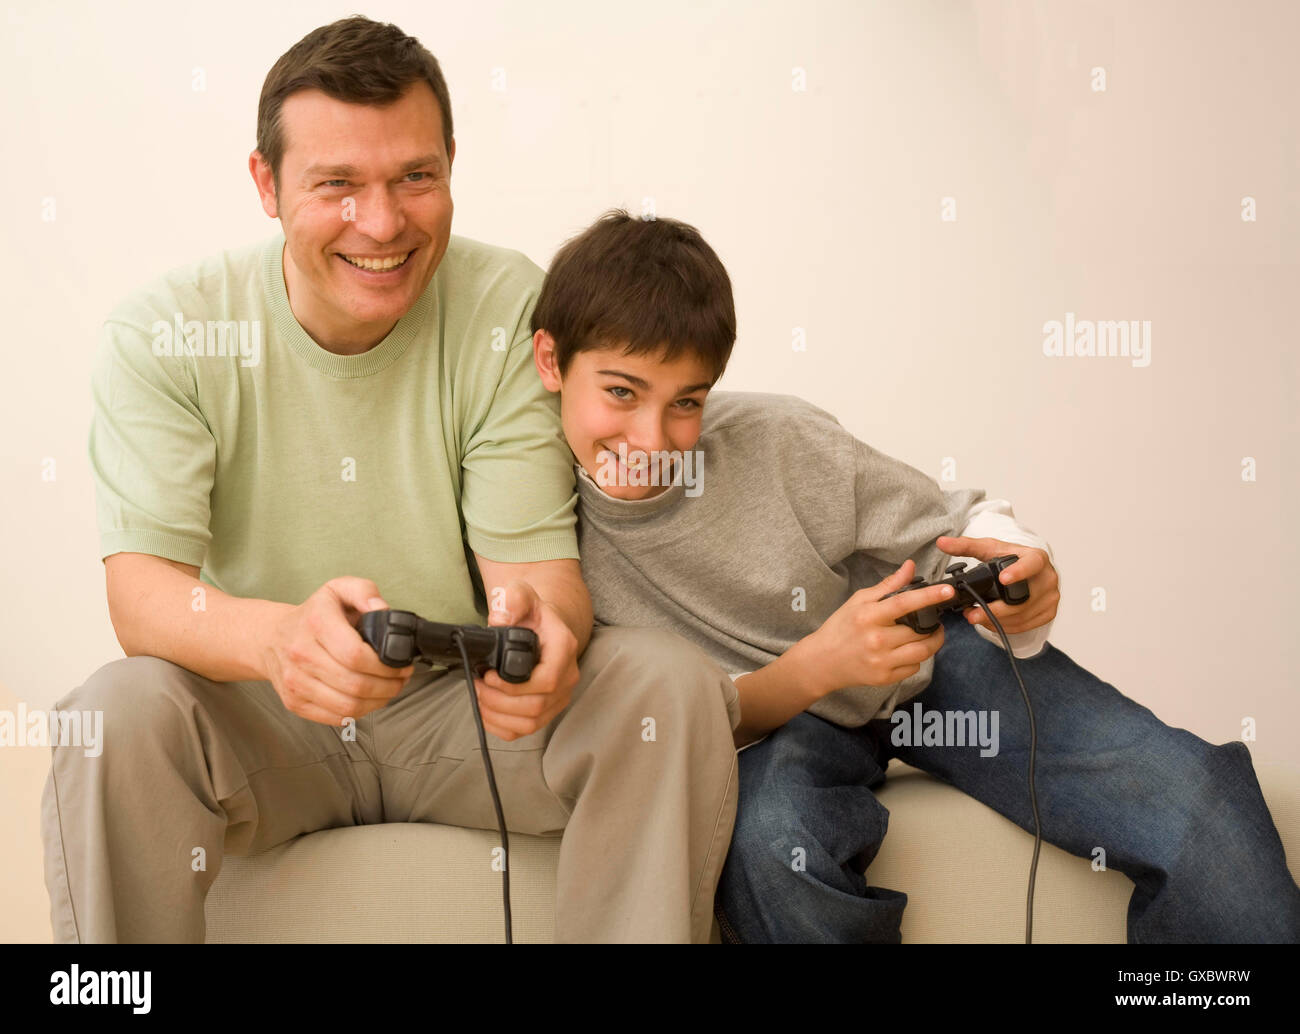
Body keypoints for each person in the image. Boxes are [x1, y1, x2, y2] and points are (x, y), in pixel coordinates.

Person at [41, 16, 739, 945]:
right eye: (336, 185)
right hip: (268, 715)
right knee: (112, 711)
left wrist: (546, 637)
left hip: (466, 720)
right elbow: (142, 599)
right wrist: (280, 639)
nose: (383, 223)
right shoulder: (165, 332)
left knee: (665, 680)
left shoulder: (508, 309)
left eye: (416, 176)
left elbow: (537, 576)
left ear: (452, 161)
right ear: (266, 184)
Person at [529, 207, 1300, 944]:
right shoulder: (529, 526)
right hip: (760, 733)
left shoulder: (778, 440)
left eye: (686, 402)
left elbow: (955, 522)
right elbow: (647, 726)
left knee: (1196, 796)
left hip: (922, 664)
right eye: (622, 393)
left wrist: (1015, 564)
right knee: (774, 851)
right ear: (549, 361)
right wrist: (816, 670)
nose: (653, 437)